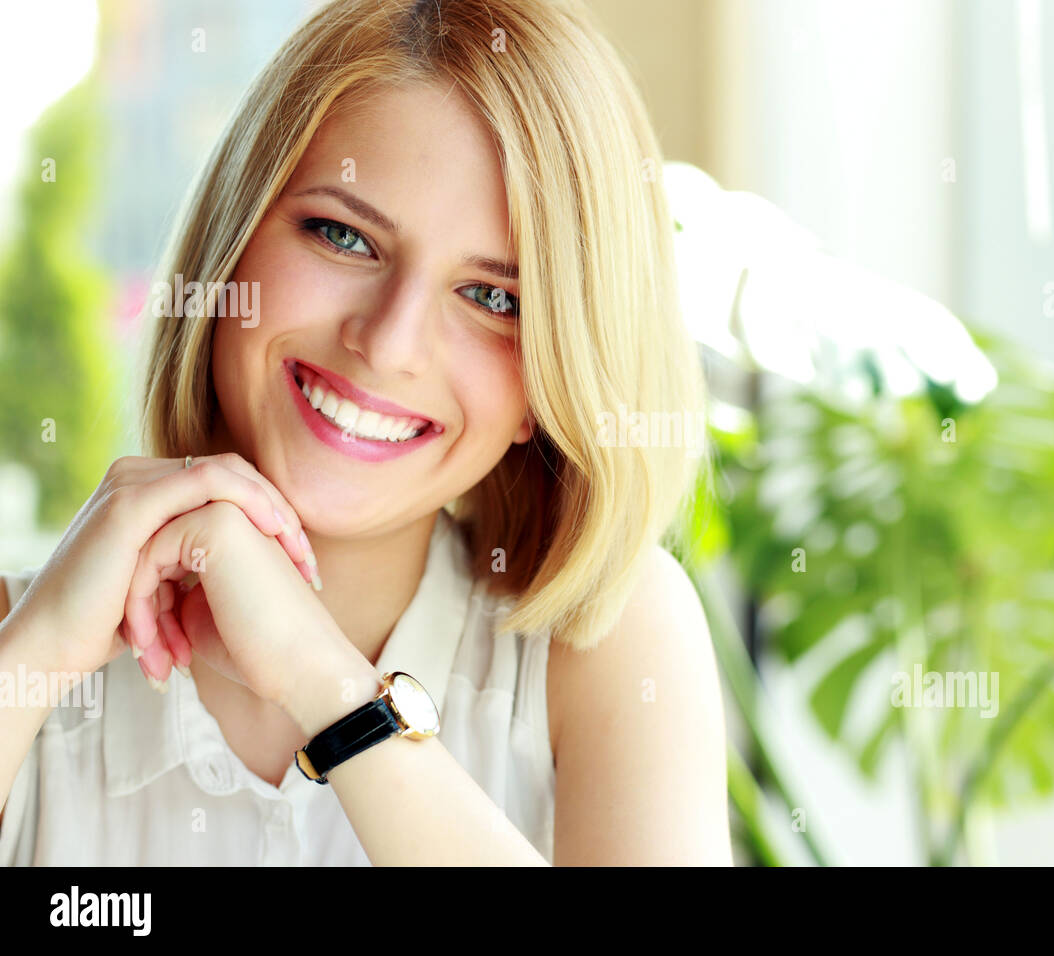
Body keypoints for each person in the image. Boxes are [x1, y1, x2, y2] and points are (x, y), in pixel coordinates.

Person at [0, 0, 730, 866]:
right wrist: (33, 654)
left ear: (552, 377)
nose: (387, 344)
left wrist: (330, 685)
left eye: (494, 298)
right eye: (343, 236)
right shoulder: (24, 640)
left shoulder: (606, 648)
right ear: (232, 245)